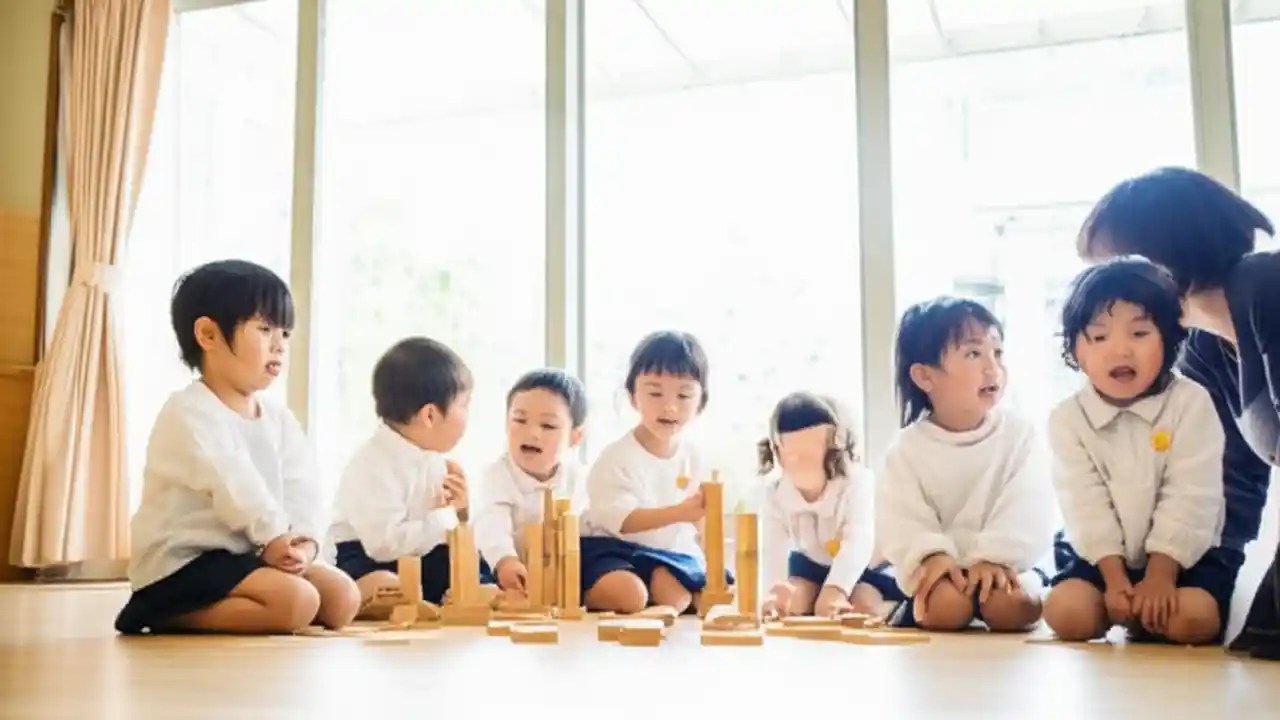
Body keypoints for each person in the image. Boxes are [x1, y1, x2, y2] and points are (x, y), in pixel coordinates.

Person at [1077, 166, 1278, 657]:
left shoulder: (1265, 283)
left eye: (1111, 266)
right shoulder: (1202, 351)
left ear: (1161, 255)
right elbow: (1232, 486)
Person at [115, 260, 359, 635]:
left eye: (285, 333)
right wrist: (274, 536)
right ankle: (161, 611)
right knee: (297, 602)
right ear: (208, 335)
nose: (279, 345)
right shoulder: (189, 411)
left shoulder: (277, 418)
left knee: (342, 597)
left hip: (251, 553)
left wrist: (305, 542)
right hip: (185, 562)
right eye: (264, 329)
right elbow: (233, 483)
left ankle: (262, 590)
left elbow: (301, 487)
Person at [1043, 258, 1230, 645]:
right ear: (1076, 349)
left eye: (1140, 333)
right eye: (1099, 337)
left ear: (1170, 338)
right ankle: (1131, 609)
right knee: (1066, 613)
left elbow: (1192, 495)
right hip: (1101, 557)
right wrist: (1114, 581)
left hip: (1184, 556)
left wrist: (1161, 576)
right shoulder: (1067, 418)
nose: (1120, 351)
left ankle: (1146, 611)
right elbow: (1084, 504)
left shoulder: (1191, 403)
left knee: (1194, 620)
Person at [876, 297, 1053, 632]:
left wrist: (995, 556)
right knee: (944, 610)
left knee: (1012, 608)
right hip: (944, 574)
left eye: (997, 353)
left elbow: (1030, 503)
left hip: (1007, 565)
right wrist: (931, 556)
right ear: (925, 376)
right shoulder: (907, 449)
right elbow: (900, 518)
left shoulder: (1019, 434)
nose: (992, 368)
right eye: (973, 353)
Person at [328, 336, 482, 611]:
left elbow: (438, 535)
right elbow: (383, 545)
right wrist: (443, 522)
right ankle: (385, 601)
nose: (469, 416)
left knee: (470, 565)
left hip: (416, 554)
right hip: (366, 557)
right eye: (465, 405)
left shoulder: (432, 458)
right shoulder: (371, 465)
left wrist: (460, 512)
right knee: (385, 584)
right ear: (430, 416)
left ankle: (439, 597)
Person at [579, 330, 723, 615]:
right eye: (655, 392)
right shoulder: (616, 457)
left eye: (684, 395)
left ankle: (659, 592)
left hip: (669, 556)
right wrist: (681, 513)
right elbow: (623, 520)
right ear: (633, 397)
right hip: (613, 550)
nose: (669, 405)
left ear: (700, 402)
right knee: (630, 595)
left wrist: (713, 566)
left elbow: (703, 522)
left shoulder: (694, 456)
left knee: (691, 598)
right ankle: (585, 591)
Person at [757, 391, 903, 620]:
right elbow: (772, 549)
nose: (803, 465)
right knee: (792, 601)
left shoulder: (857, 482)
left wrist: (836, 590)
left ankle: (897, 610)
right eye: (794, 456)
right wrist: (773, 593)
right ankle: (821, 595)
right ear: (777, 454)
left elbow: (858, 541)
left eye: (812, 456)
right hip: (814, 563)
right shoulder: (777, 493)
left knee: (862, 604)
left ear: (834, 451)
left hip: (867, 566)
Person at [475, 368, 589, 600]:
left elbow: (588, 529)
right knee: (478, 580)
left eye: (547, 426)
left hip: (559, 571)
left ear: (575, 437)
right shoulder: (497, 475)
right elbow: (491, 527)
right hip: (501, 566)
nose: (532, 433)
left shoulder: (578, 479)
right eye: (519, 420)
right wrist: (505, 560)